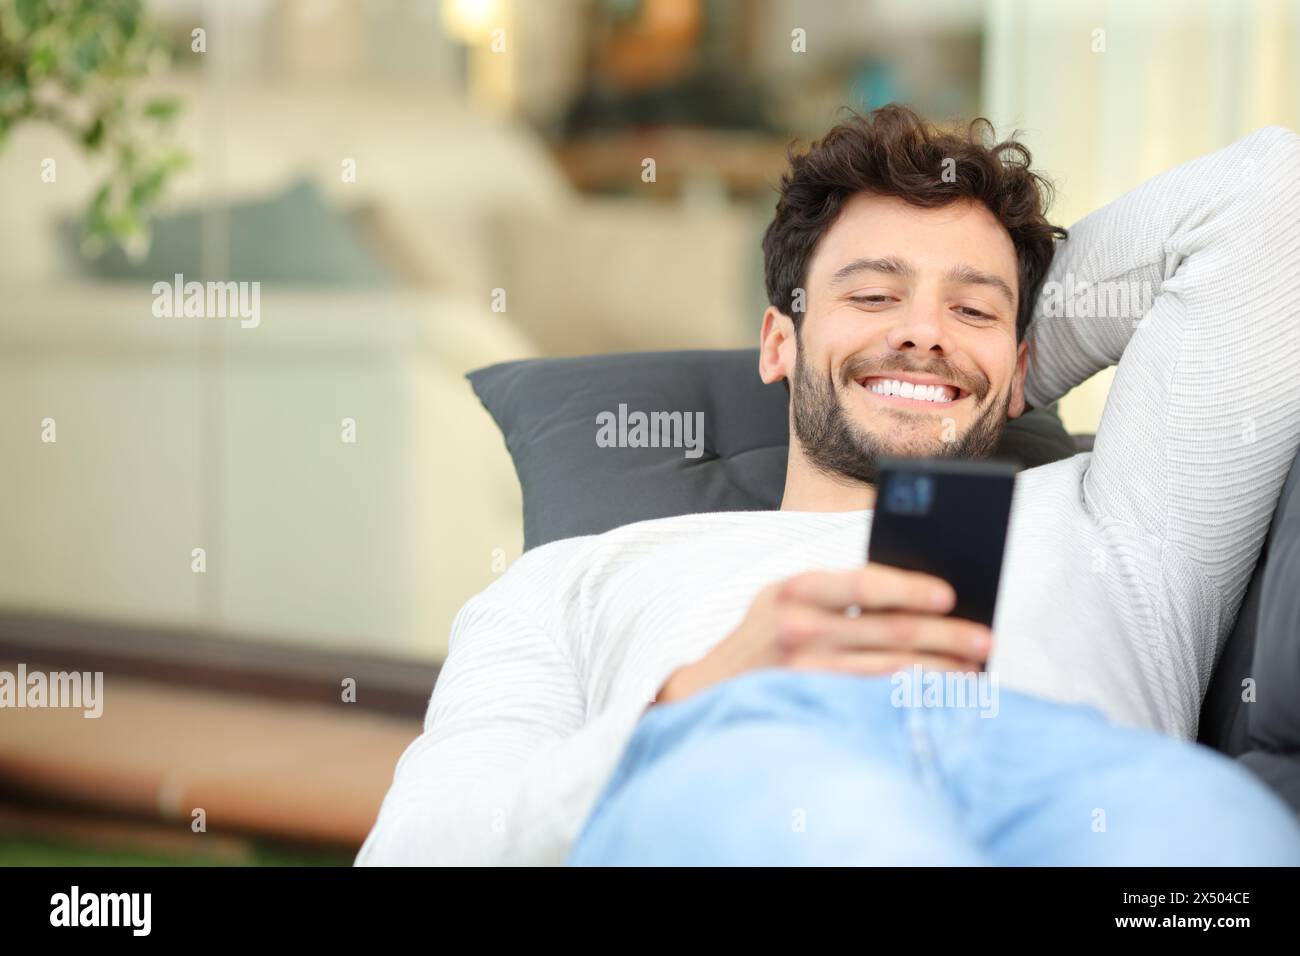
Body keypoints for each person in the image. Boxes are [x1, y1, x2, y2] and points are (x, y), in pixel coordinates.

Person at [357, 105, 1300, 866]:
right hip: (753, 761)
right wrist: (681, 707)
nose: (925, 329)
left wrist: (982, 372)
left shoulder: (1122, 516)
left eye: (970, 307)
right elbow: (416, 851)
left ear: (1026, 363)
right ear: (779, 342)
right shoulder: (568, 581)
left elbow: (1272, 197)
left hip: (1077, 784)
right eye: (872, 295)